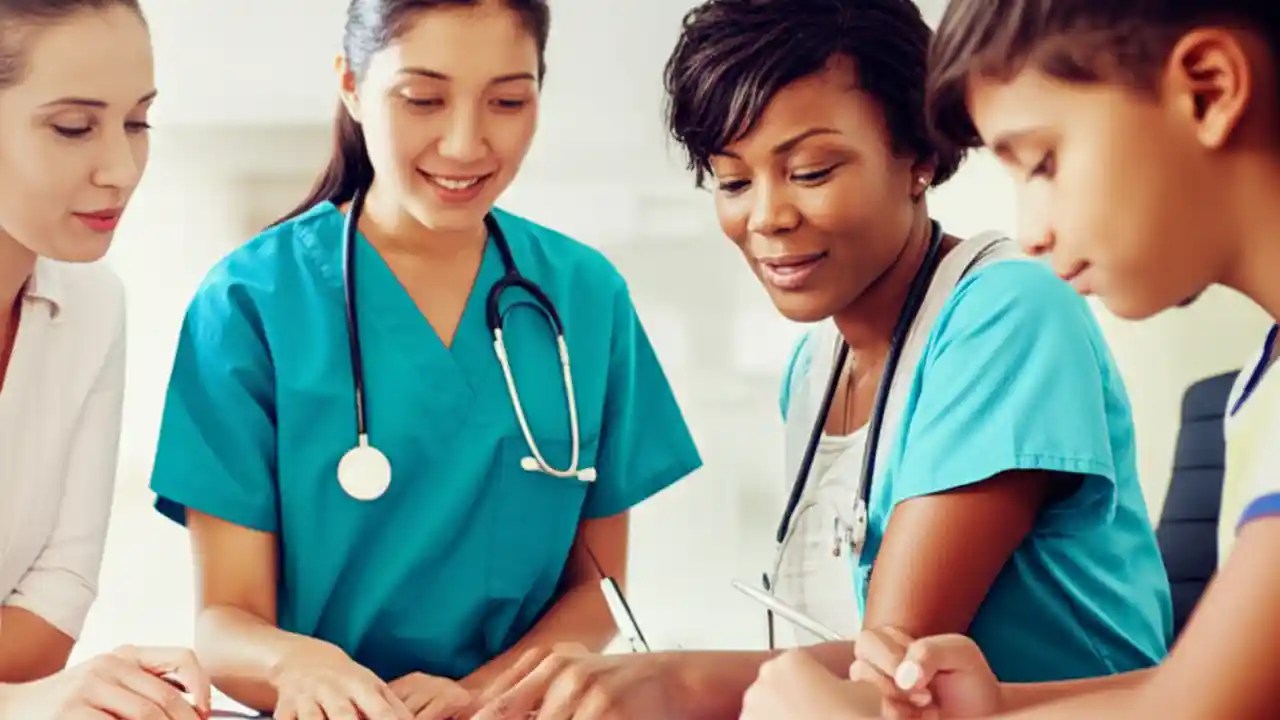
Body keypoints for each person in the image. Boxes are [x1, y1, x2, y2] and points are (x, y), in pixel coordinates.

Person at [468, 1, 1171, 718]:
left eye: (809, 171)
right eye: (734, 182)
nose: (767, 216)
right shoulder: (815, 366)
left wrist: (678, 682)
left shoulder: (1008, 312)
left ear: (920, 155)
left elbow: (893, 661)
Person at [146, 0, 701, 718]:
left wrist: (474, 699)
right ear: (350, 85)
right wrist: (297, 666)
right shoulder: (251, 302)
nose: (466, 143)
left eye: (507, 100)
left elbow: (598, 592)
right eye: (423, 99)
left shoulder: (583, 296)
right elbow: (226, 620)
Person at [812, 1, 1280, 718]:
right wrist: (994, 706)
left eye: (1044, 163)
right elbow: (1220, 685)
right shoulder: (1264, 384)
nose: (1031, 232)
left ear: (1209, 89)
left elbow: (1200, 710)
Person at [0, 1, 212, 718]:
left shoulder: (92, 305)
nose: (122, 170)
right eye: (72, 127)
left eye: (137, 122)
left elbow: (58, 590)